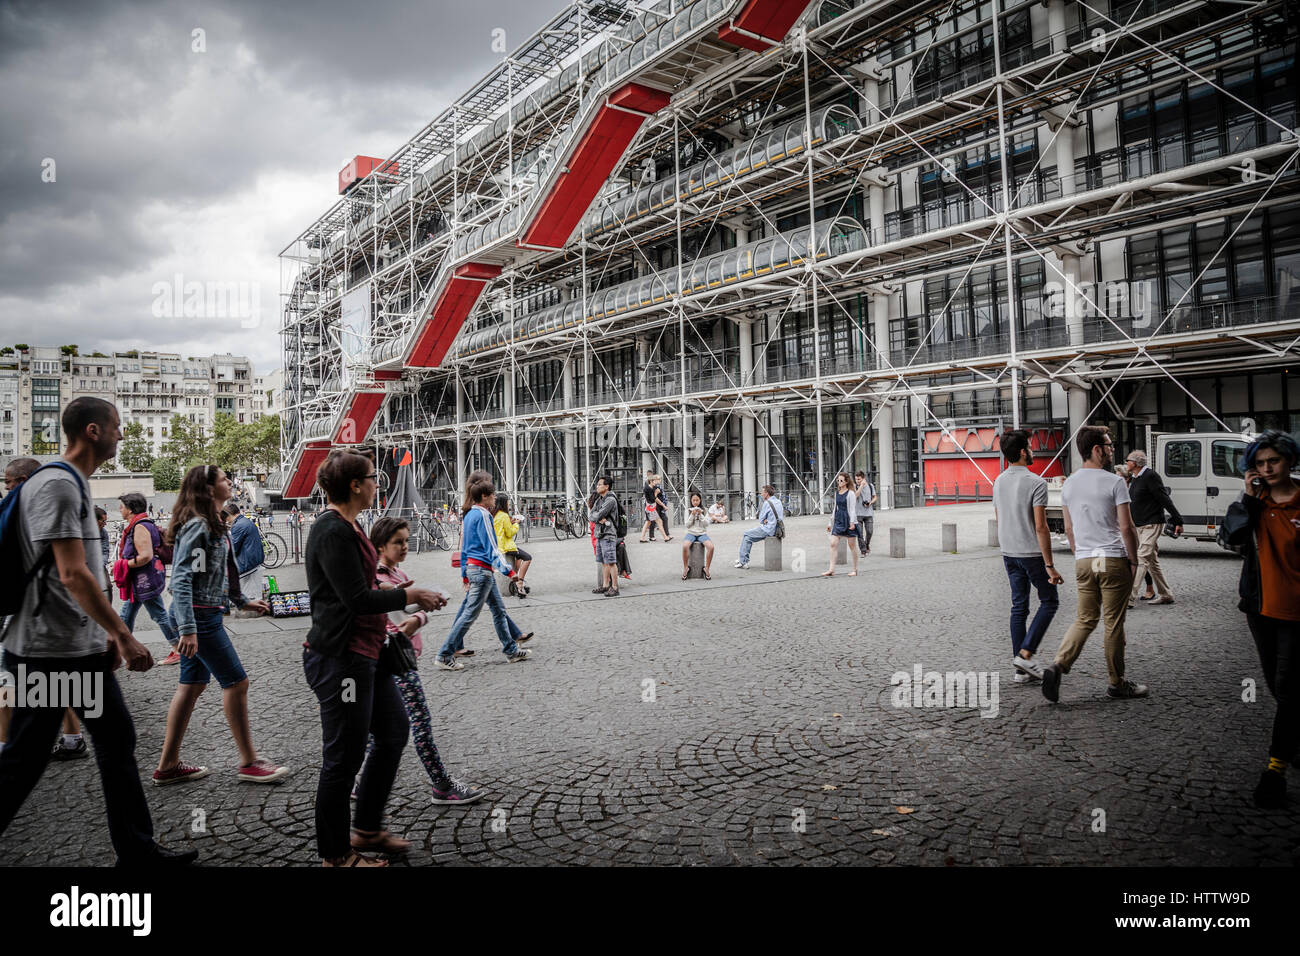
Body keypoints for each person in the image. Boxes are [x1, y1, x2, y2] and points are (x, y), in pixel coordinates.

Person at [0, 397, 196, 865]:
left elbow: (81, 574)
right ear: (92, 431)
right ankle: (137, 849)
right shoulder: (58, 486)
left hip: (74, 648)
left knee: (115, 743)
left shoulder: (75, 485)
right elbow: (72, 575)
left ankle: (137, 850)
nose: (122, 435)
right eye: (116, 427)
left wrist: (102, 634)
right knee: (25, 760)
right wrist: (123, 634)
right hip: (46, 652)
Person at [303, 450, 446, 867]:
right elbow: (358, 599)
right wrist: (410, 596)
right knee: (343, 758)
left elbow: (363, 588)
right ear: (354, 485)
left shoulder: (351, 526)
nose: (377, 482)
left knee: (393, 731)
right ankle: (336, 855)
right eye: (372, 476)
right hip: (340, 658)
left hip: (367, 653)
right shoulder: (332, 531)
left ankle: (366, 827)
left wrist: (402, 591)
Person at [153, 465, 287, 787]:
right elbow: (182, 581)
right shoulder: (199, 527)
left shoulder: (212, 524)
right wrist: (187, 629)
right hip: (199, 617)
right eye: (225, 480)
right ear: (210, 489)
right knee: (237, 684)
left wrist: (240, 601)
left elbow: (221, 571)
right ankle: (249, 762)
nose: (231, 483)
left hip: (202, 614)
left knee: (192, 685)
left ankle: (168, 765)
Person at [369, 516, 482, 804]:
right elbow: (393, 619)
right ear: (380, 546)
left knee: (377, 730)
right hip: (395, 661)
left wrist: (424, 604)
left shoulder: (395, 574)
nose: (405, 546)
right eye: (398, 542)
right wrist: (420, 613)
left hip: (397, 659)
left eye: (407, 540)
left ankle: (361, 782)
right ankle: (441, 784)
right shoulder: (378, 578)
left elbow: (405, 608)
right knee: (419, 722)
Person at [1222, 430, 1300, 809]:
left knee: (1287, 687)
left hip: (1296, 613)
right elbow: (1230, 537)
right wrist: (1250, 499)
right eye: (1260, 463)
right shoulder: (1254, 501)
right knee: (1274, 682)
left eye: (1274, 461)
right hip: (1261, 609)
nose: (1267, 468)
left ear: (1290, 462)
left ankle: (1275, 770)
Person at [1040, 426, 1145, 703]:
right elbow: (1126, 527)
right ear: (1097, 450)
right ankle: (1116, 682)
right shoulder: (1115, 482)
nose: (1112, 450)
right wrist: (1133, 560)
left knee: (1085, 618)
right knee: (1113, 622)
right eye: (1109, 446)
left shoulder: (1070, 483)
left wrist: (1080, 555)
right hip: (1111, 559)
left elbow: (1069, 529)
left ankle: (1058, 664)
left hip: (1085, 560)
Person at [434, 474, 534, 668]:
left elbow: (465, 549)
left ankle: (511, 650)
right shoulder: (484, 515)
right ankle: (444, 654)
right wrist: (510, 572)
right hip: (482, 571)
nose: (495, 498)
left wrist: (464, 573)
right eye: (493, 495)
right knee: (470, 614)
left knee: (498, 610)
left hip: (474, 569)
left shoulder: (469, 514)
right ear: (486, 496)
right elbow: (492, 548)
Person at [992, 429, 1063, 685]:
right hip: (1031, 552)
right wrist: (1050, 566)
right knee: (1050, 601)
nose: (1033, 451)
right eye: (1031, 447)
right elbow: (1041, 526)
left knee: (1019, 607)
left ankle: (1020, 670)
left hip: (1008, 552)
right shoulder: (1036, 482)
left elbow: (1000, 519)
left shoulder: (998, 481)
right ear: (1023, 452)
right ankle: (1025, 654)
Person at [0, 458, 41, 753]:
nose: (6, 489)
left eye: (8, 483)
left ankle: (7, 743)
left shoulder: (18, 512)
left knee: (7, 677)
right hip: (26, 616)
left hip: (17, 616)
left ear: (23, 480)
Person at [116, 492, 182, 667]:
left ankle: (177, 648)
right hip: (142, 580)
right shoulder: (140, 523)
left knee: (158, 614)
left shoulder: (139, 526)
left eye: (122, 506)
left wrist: (122, 565)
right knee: (126, 615)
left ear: (130, 509)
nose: (120, 510)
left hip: (144, 580)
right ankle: (121, 650)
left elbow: (145, 556)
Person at [1124, 449, 1183, 608]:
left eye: (1127, 460)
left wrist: (1178, 519)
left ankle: (1129, 598)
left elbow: (1164, 498)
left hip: (1152, 523)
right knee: (1152, 562)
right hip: (1140, 525)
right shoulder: (1136, 478)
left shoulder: (1150, 476)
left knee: (1142, 557)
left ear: (1135, 463)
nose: (1126, 463)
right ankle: (1166, 594)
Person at [222, 501, 266, 609]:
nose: (226, 520)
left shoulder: (238, 526)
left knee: (224, 578)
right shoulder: (244, 521)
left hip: (248, 562)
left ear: (229, 515)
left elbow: (232, 549)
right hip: (253, 560)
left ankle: (225, 607)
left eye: (225, 517)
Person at [735, 485, 783, 569]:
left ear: (766, 493)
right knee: (748, 536)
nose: (761, 494)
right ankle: (742, 559)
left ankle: (743, 562)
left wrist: (766, 520)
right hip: (777, 529)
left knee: (746, 535)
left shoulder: (767, 503)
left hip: (768, 529)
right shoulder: (778, 502)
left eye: (762, 492)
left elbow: (761, 519)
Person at [823, 472, 861, 577]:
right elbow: (835, 509)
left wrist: (852, 522)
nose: (839, 482)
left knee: (852, 545)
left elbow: (852, 509)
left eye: (841, 480)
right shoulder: (837, 493)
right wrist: (830, 523)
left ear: (846, 481)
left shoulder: (851, 493)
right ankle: (831, 569)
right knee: (833, 543)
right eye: (838, 480)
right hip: (839, 520)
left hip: (849, 520)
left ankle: (855, 569)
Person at [494, 493, 531, 597]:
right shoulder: (504, 515)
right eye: (507, 502)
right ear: (503, 503)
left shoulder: (494, 514)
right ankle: (519, 582)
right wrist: (516, 523)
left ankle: (515, 579)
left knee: (518, 558)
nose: (508, 504)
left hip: (498, 544)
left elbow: (500, 528)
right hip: (506, 546)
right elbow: (509, 533)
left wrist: (510, 522)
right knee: (527, 558)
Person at [590, 476, 621, 595]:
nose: (597, 487)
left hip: (608, 533)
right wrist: (597, 518)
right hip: (600, 533)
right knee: (603, 561)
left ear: (606, 486)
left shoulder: (610, 500)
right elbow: (591, 515)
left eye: (599, 485)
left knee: (611, 561)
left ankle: (614, 587)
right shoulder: (599, 500)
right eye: (597, 485)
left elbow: (597, 515)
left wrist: (597, 517)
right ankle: (605, 585)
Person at [681, 491, 715, 579]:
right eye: (693, 500)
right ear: (691, 501)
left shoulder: (705, 510)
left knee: (711, 547)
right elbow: (687, 525)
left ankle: (707, 568)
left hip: (702, 533)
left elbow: (706, 524)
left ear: (700, 500)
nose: (695, 502)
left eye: (697, 500)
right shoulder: (687, 510)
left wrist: (700, 515)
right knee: (685, 546)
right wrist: (692, 515)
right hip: (691, 533)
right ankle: (685, 568)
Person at [639, 472, 669, 542]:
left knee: (648, 523)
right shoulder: (648, 489)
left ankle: (642, 538)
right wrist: (656, 493)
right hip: (651, 508)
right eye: (655, 481)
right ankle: (665, 537)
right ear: (651, 481)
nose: (656, 482)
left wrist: (663, 505)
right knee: (659, 521)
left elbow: (656, 499)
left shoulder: (652, 487)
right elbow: (653, 499)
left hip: (650, 508)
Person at [854, 471, 877, 555]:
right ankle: (863, 550)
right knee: (859, 533)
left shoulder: (870, 486)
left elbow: (875, 497)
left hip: (869, 513)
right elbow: (855, 495)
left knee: (870, 531)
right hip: (858, 514)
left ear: (863, 478)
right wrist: (861, 486)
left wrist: (870, 503)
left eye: (859, 479)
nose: (857, 481)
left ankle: (867, 544)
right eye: (856, 479)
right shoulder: (854, 486)